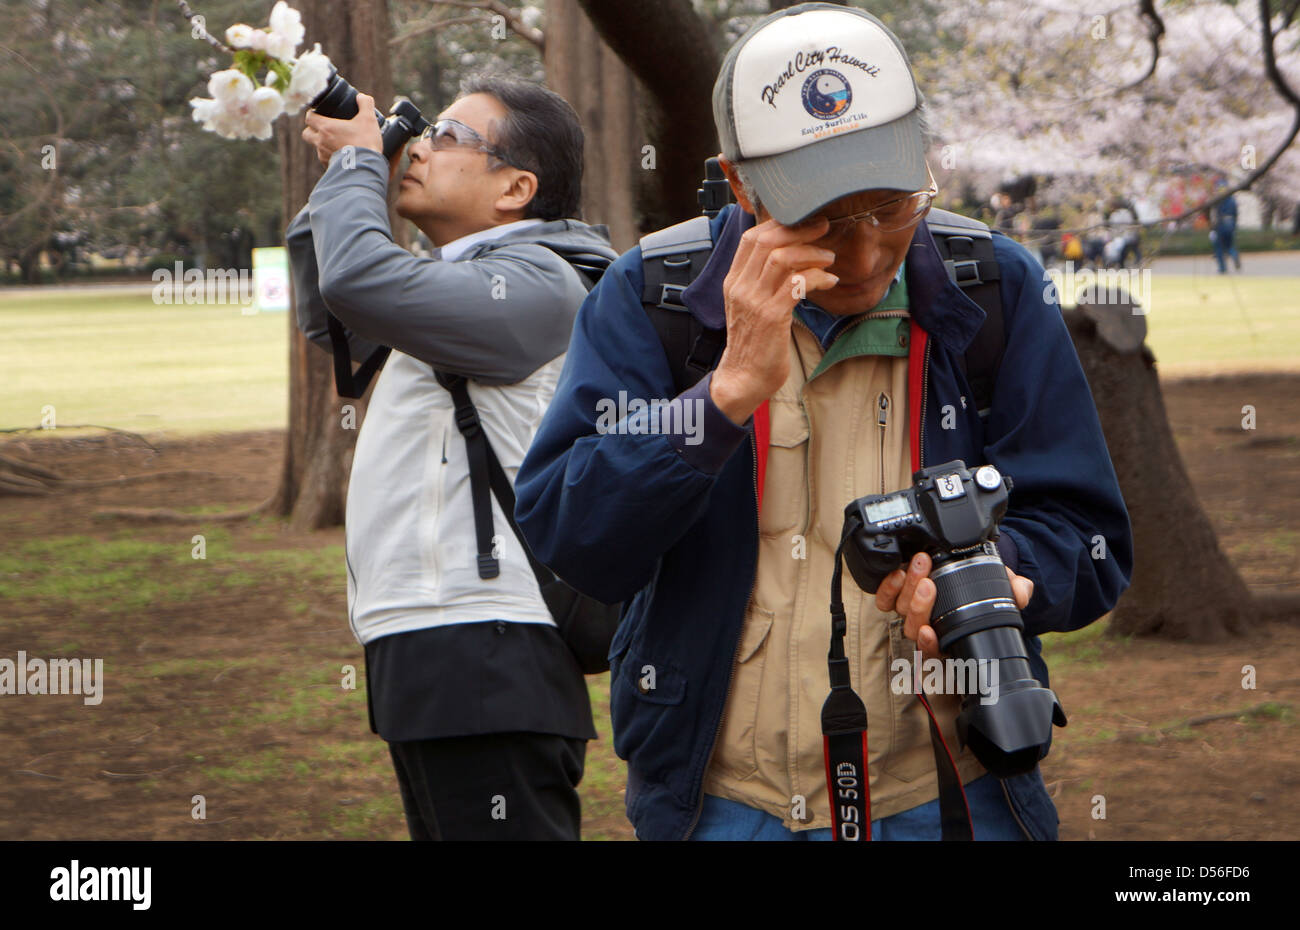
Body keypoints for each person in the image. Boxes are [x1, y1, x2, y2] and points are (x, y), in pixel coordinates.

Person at [515, 2, 1132, 841]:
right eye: (826, 219)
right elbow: (573, 534)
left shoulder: (994, 289)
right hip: (723, 800)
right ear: (741, 184)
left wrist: (1011, 570)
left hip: (950, 789)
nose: (869, 252)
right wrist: (726, 391)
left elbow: (1087, 534)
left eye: (893, 205)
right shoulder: (651, 297)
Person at [288, 75, 619, 840]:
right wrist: (372, 158)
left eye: (445, 136)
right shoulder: (460, 283)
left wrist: (357, 166)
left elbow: (359, 279)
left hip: (486, 644)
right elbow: (327, 305)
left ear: (516, 187)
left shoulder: (545, 282)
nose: (423, 148)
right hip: (434, 640)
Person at [1212, 181, 1242, 274]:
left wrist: (1214, 227)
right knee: (1229, 245)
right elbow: (1236, 213)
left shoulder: (1219, 200)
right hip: (1231, 223)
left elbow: (1216, 214)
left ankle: (1222, 268)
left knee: (1219, 247)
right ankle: (1234, 255)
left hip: (1221, 224)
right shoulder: (1232, 200)